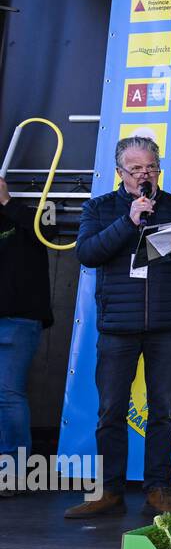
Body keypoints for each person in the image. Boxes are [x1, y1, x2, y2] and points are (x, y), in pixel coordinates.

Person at [66, 136, 171, 518]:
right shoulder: (100, 208)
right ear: (120, 173)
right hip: (118, 326)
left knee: (163, 411)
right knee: (111, 411)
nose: (144, 175)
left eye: (150, 167)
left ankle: (158, 489)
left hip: (166, 328)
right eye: (135, 169)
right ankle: (109, 491)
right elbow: (87, 253)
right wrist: (128, 221)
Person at [0, 175, 54, 498]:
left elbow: (47, 234)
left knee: (7, 392)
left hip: (19, 319)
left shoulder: (39, 208)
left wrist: (7, 203)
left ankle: (14, 471)